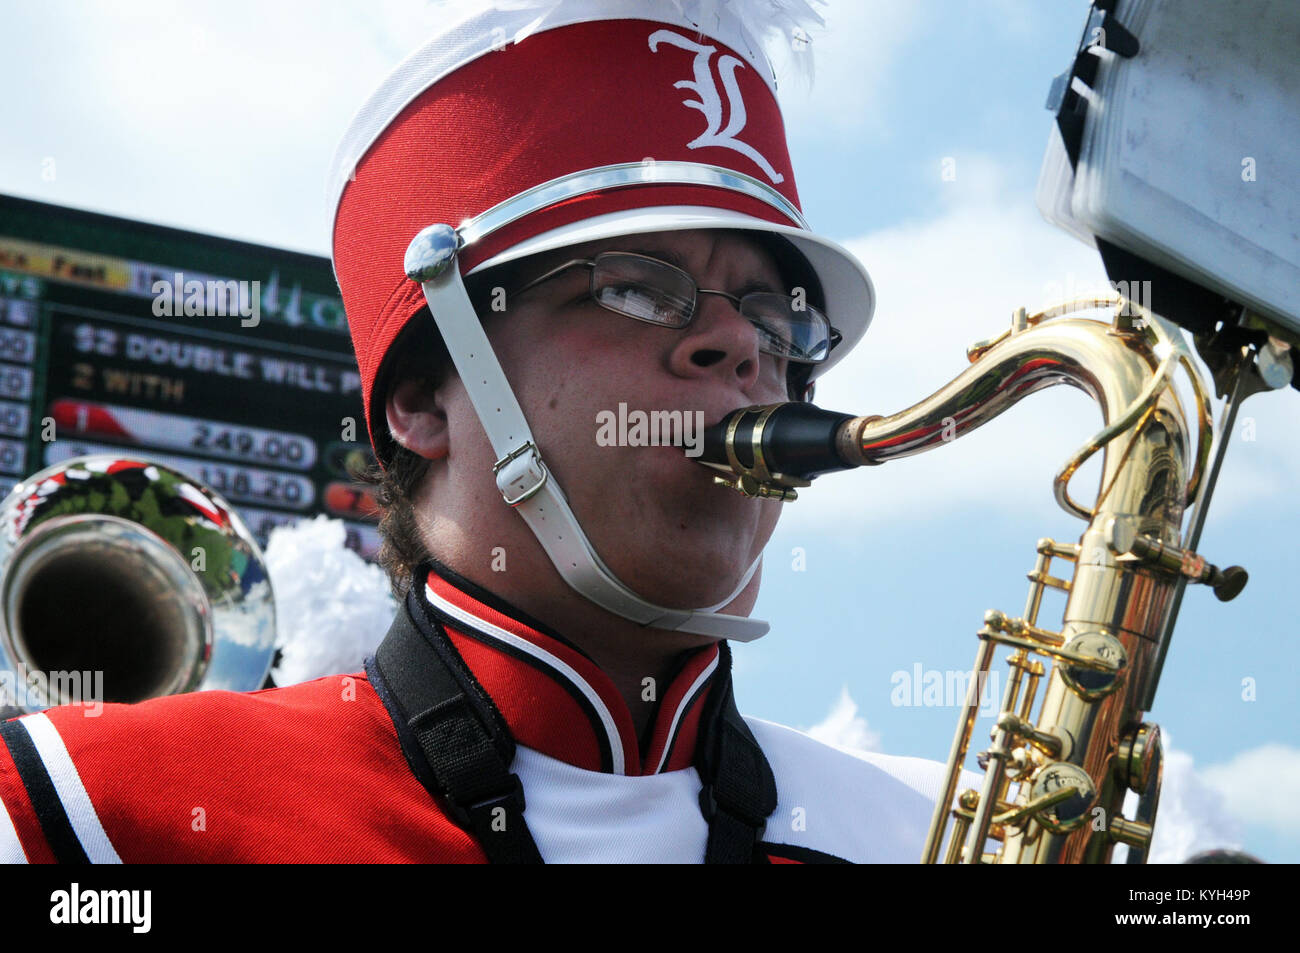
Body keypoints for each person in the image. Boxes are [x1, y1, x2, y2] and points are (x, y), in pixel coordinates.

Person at [0, 1, 960, 864]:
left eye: (777, 317)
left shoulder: (938, 834)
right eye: (631, 287)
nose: (740, 343)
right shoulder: (86, 813)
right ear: (421, 401)